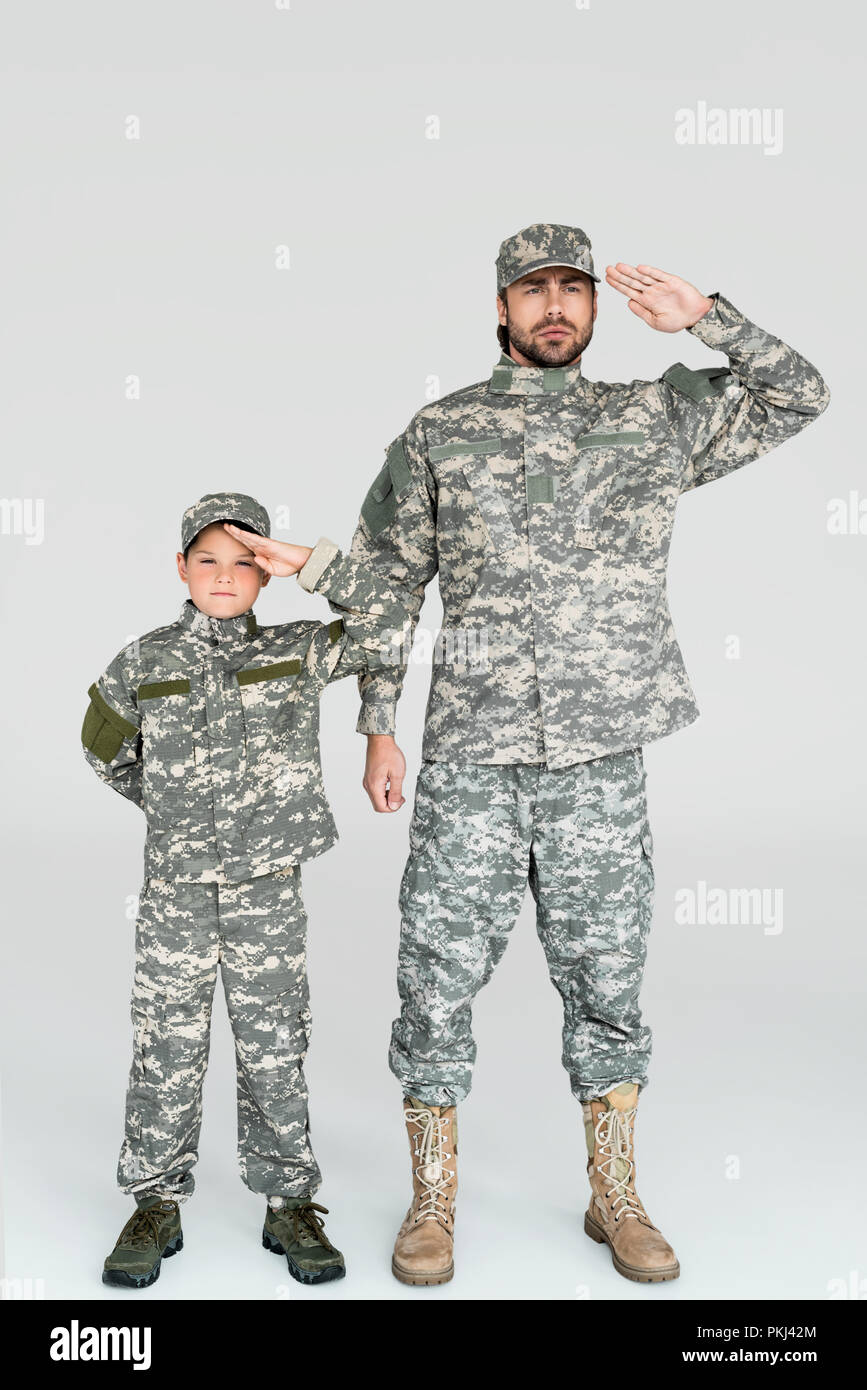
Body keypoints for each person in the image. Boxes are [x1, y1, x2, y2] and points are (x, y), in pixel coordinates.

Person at [346, 223, 831, 1286]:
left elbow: (802, 394)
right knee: (434, 977)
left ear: (598, 308)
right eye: (535, 291)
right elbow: (383, 579)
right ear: (502, 308)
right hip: (470, 751)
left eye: (574, 289)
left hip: (600, 755)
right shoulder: (443, 429)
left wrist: (707, 318)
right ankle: (433, 1202)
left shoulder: (652, 415)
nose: (556, 306)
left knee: (608, 976)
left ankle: (615, 1195)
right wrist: (379, 719)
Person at [82, 491, 412, 1288]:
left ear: (263, 574)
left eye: (244, 561)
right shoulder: (144, 659)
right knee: (166, 1043)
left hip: (267, 886)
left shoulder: (300, 648)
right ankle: (155, 1200)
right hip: (178, 889)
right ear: (180, 568)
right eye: (207, 561)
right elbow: (103, 749)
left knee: (273, 1043)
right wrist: (176, 810)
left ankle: (289, 1201)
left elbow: (389, 619)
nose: (224, 577)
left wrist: (307, 563)